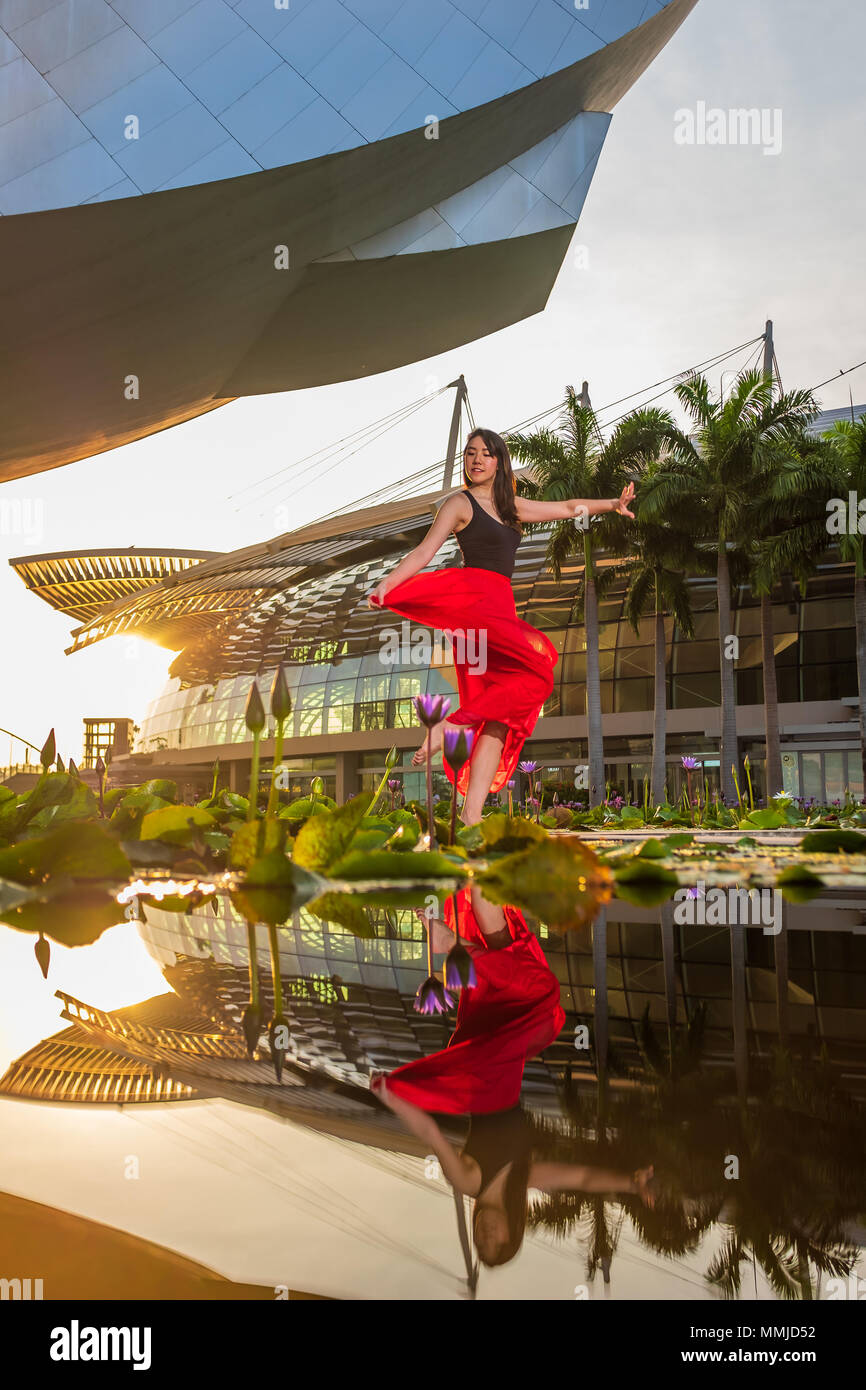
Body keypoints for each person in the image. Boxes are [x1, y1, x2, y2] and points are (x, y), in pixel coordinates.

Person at [371, 884, 654, 1269]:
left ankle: (454, 940)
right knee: (503, 942)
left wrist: (395, 1098)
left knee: (538, 988)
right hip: (505, 1040)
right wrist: (629, 1184)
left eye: (480, 1243)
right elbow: (582, 1178)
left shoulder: (469, 1182)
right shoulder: (524, 1177)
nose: (486, 1237)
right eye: (496, 1244)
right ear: (512, 1233)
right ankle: (474, 837)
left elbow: (431, 1134)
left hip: (484, 1064)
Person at [368, 428, 635, 823]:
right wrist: (388, 584)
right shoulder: (458, 504)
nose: (477, 460)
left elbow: (566, 507)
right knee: (540, 674)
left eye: (486, 454)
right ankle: (449, 724)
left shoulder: (511, 507)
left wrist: (613, 503)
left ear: (499, 461)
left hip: (501, 607)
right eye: (470, 453)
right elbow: (425, 551)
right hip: (474, 609)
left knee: (499, 718)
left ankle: (471, 814)